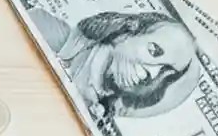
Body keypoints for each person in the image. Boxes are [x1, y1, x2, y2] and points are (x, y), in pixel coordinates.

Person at [29, 8, 200, 121]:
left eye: (166, 72)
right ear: (127, 33)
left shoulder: (94, 111)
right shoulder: (49, 32)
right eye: (154, 50)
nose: (152, 75)